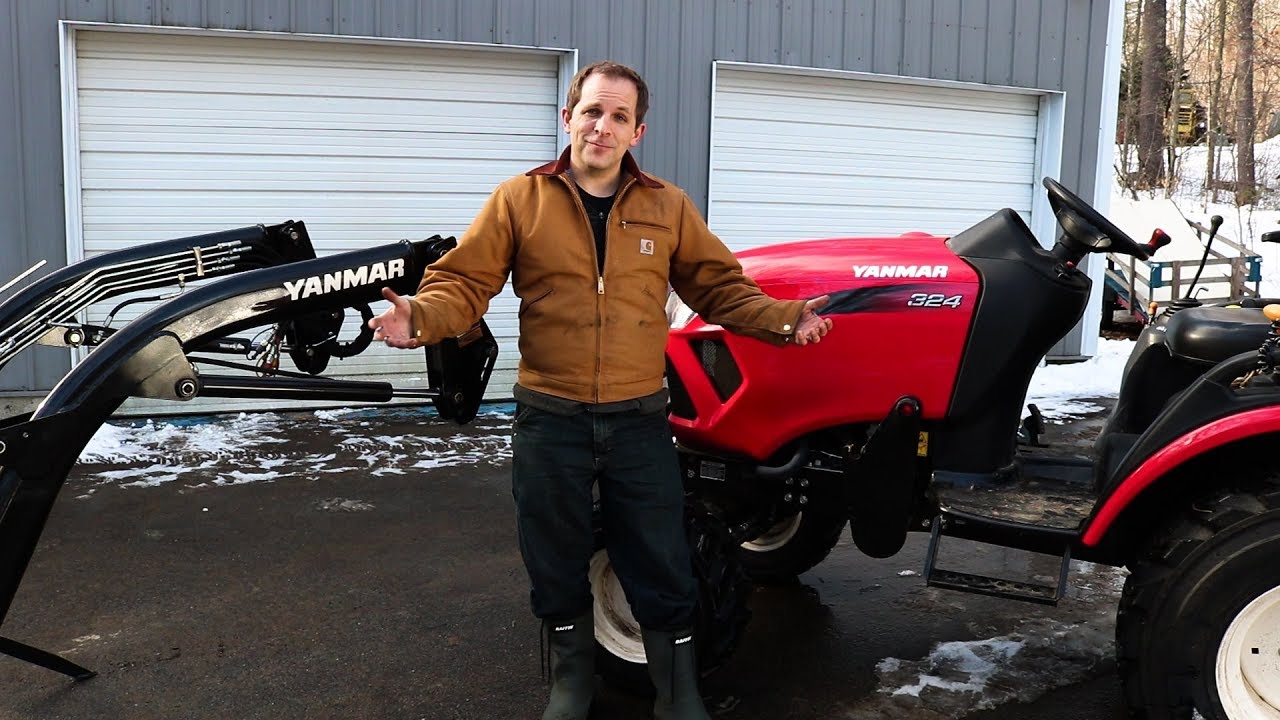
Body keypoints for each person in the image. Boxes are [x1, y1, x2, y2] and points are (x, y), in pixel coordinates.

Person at [368, 60, 832, 720]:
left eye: (618, 116)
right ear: (568, 118)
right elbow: (464, 283)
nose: (602, 126)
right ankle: (570, 685)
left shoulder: (667, 207)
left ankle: (678, 694)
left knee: (663, 560)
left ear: (637, 130)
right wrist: (421, 315)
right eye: (591, 111)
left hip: (639, 419)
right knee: (554, 558)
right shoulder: (518, 200)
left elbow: (719, 286)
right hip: (549, 417)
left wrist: (784, 319)